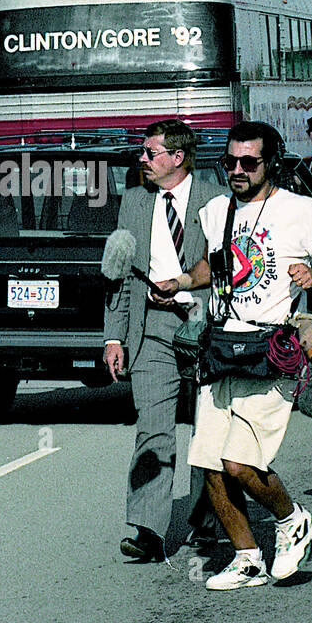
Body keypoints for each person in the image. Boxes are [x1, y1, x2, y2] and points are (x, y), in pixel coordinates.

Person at [178, 122, 312, 589]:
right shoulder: (216, 210)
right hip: (221, 348)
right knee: (210, 463)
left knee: (240, 462)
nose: (237, 170)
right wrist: (179, 283)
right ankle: (246, 558)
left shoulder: (299, 211)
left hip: (272, 349)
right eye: (230, 162)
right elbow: (212, 265)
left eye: (249, 162)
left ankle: (292, 519)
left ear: (271, 163)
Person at [102, 120, 226, 562]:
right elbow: (118, 274)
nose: (142, 159)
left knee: (208, 429)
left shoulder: (216, 199)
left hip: (204, 325)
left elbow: (229, 266)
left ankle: (209, 519)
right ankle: (149, 529)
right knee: (152, 428)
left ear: (177, 157)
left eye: (150, 152)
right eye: (143, 151)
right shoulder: (134, 201)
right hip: (151, 327)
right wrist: (114, 337)